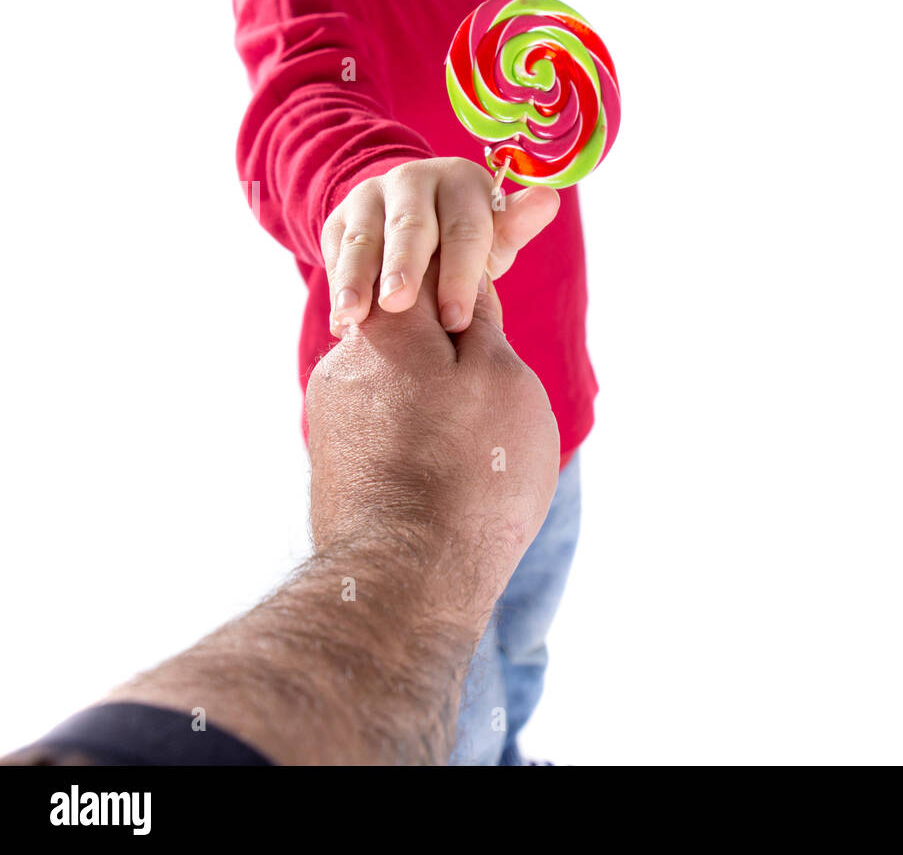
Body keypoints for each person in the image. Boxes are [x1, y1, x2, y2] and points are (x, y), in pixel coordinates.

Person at [234, 0, 596, 765]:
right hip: (420, 451)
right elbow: (299, 105)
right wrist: (368, 175)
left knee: (518, 656)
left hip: (552, 416)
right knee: (442, 712)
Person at [4, 269, 559, 766]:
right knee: (457, 688)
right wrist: (377, 182)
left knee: (522, 647)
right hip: (414, 435)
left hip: (555, 441)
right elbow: (286, 153)